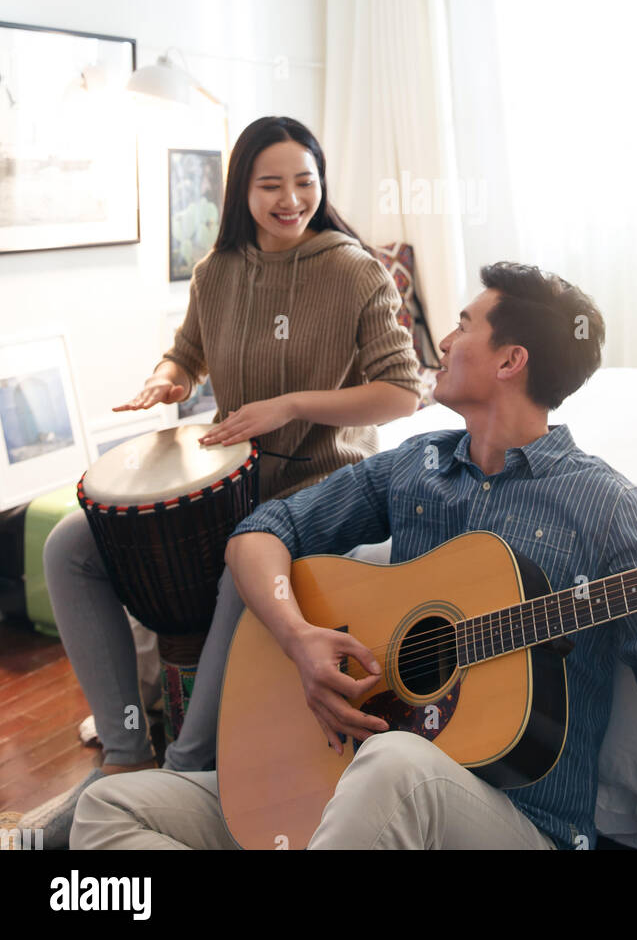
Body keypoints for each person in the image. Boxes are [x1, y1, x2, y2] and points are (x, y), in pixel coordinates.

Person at [71, 262, 637, 851]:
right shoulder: (416, 465)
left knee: (397, 766)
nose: (442, 342)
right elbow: (261, 532)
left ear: (511, 360)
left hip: (510, 823)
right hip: (342, 785)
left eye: (462, 325)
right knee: (111, 806)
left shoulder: (604, 507)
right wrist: (299, 640)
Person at [29, 116, 421, 846]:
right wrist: (164, 380)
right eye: (271, 183)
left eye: (305, 181)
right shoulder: (218, 272)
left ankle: (183, 770)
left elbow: (403, 391)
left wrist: (295, 404)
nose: (290, 198)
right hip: (228, 476)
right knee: (69, 547)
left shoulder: (354, 271)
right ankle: (122, 753)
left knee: (244, 563)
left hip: (316, 480)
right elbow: (186, 354)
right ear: (242, 190)